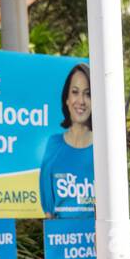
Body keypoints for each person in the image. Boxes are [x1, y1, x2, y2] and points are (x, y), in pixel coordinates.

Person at [38, 64, 94, 219]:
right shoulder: (53, 145)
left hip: (97, 239)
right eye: (75, 92)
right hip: (62, 240)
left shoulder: (103, 148)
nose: (81, 101)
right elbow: (48, 213)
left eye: (88, 94)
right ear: (67, 99)